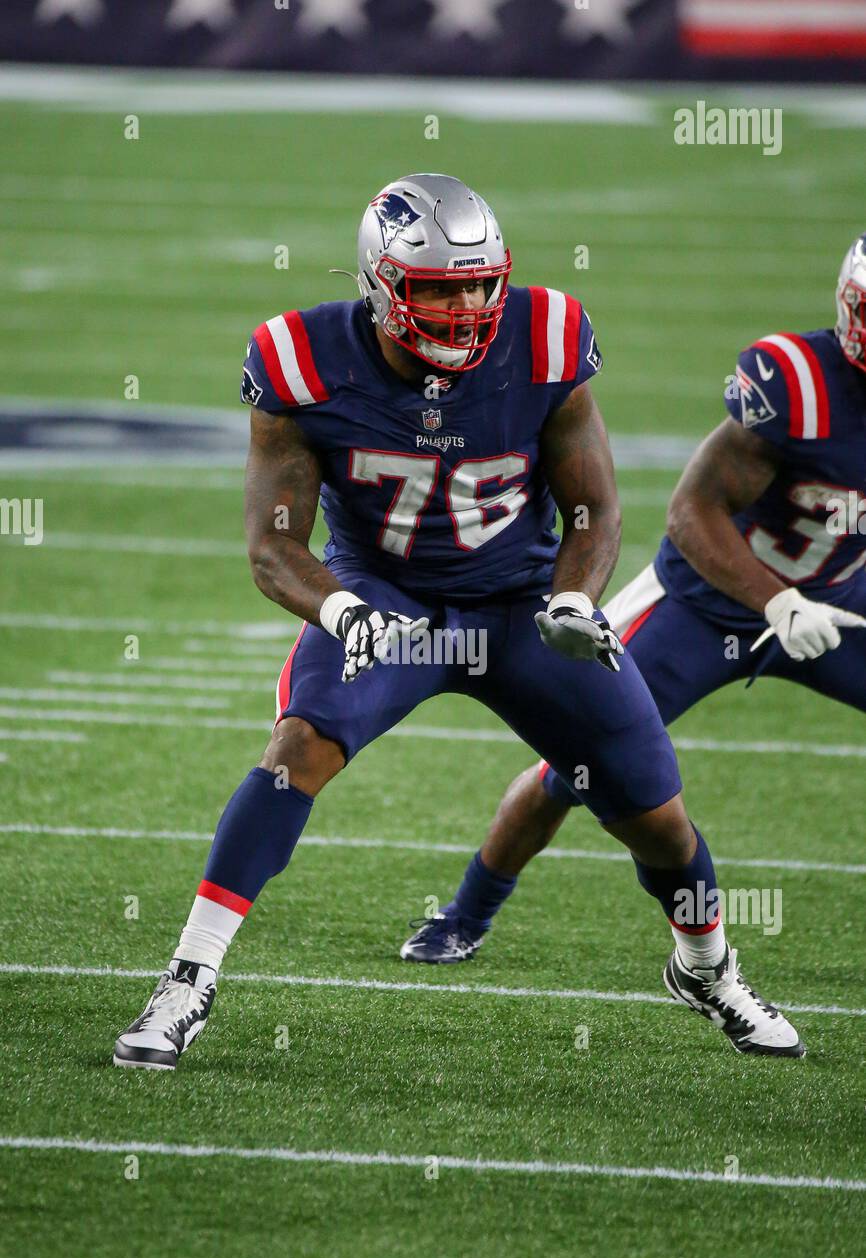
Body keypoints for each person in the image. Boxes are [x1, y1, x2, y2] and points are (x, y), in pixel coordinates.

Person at [113, 173, 803, 1070]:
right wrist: (343, 609)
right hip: (387, 599)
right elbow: (273, 544)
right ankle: (187, 980)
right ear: (381, 284)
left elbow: (592, 507)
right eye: (441, 290)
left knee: (656, 815)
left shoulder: (546, 338)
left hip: (519, 603)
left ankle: (707, 968)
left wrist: (572, 598)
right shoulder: (302, 360)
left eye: (483, 284)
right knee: (296, 754)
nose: (469, 307)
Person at [404, 234, 866, 1002]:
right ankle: (466, 914)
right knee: (572, 769)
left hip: (838, 598)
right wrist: (776, 601)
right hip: (704, 602)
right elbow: (690, 512)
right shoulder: (798, 382)